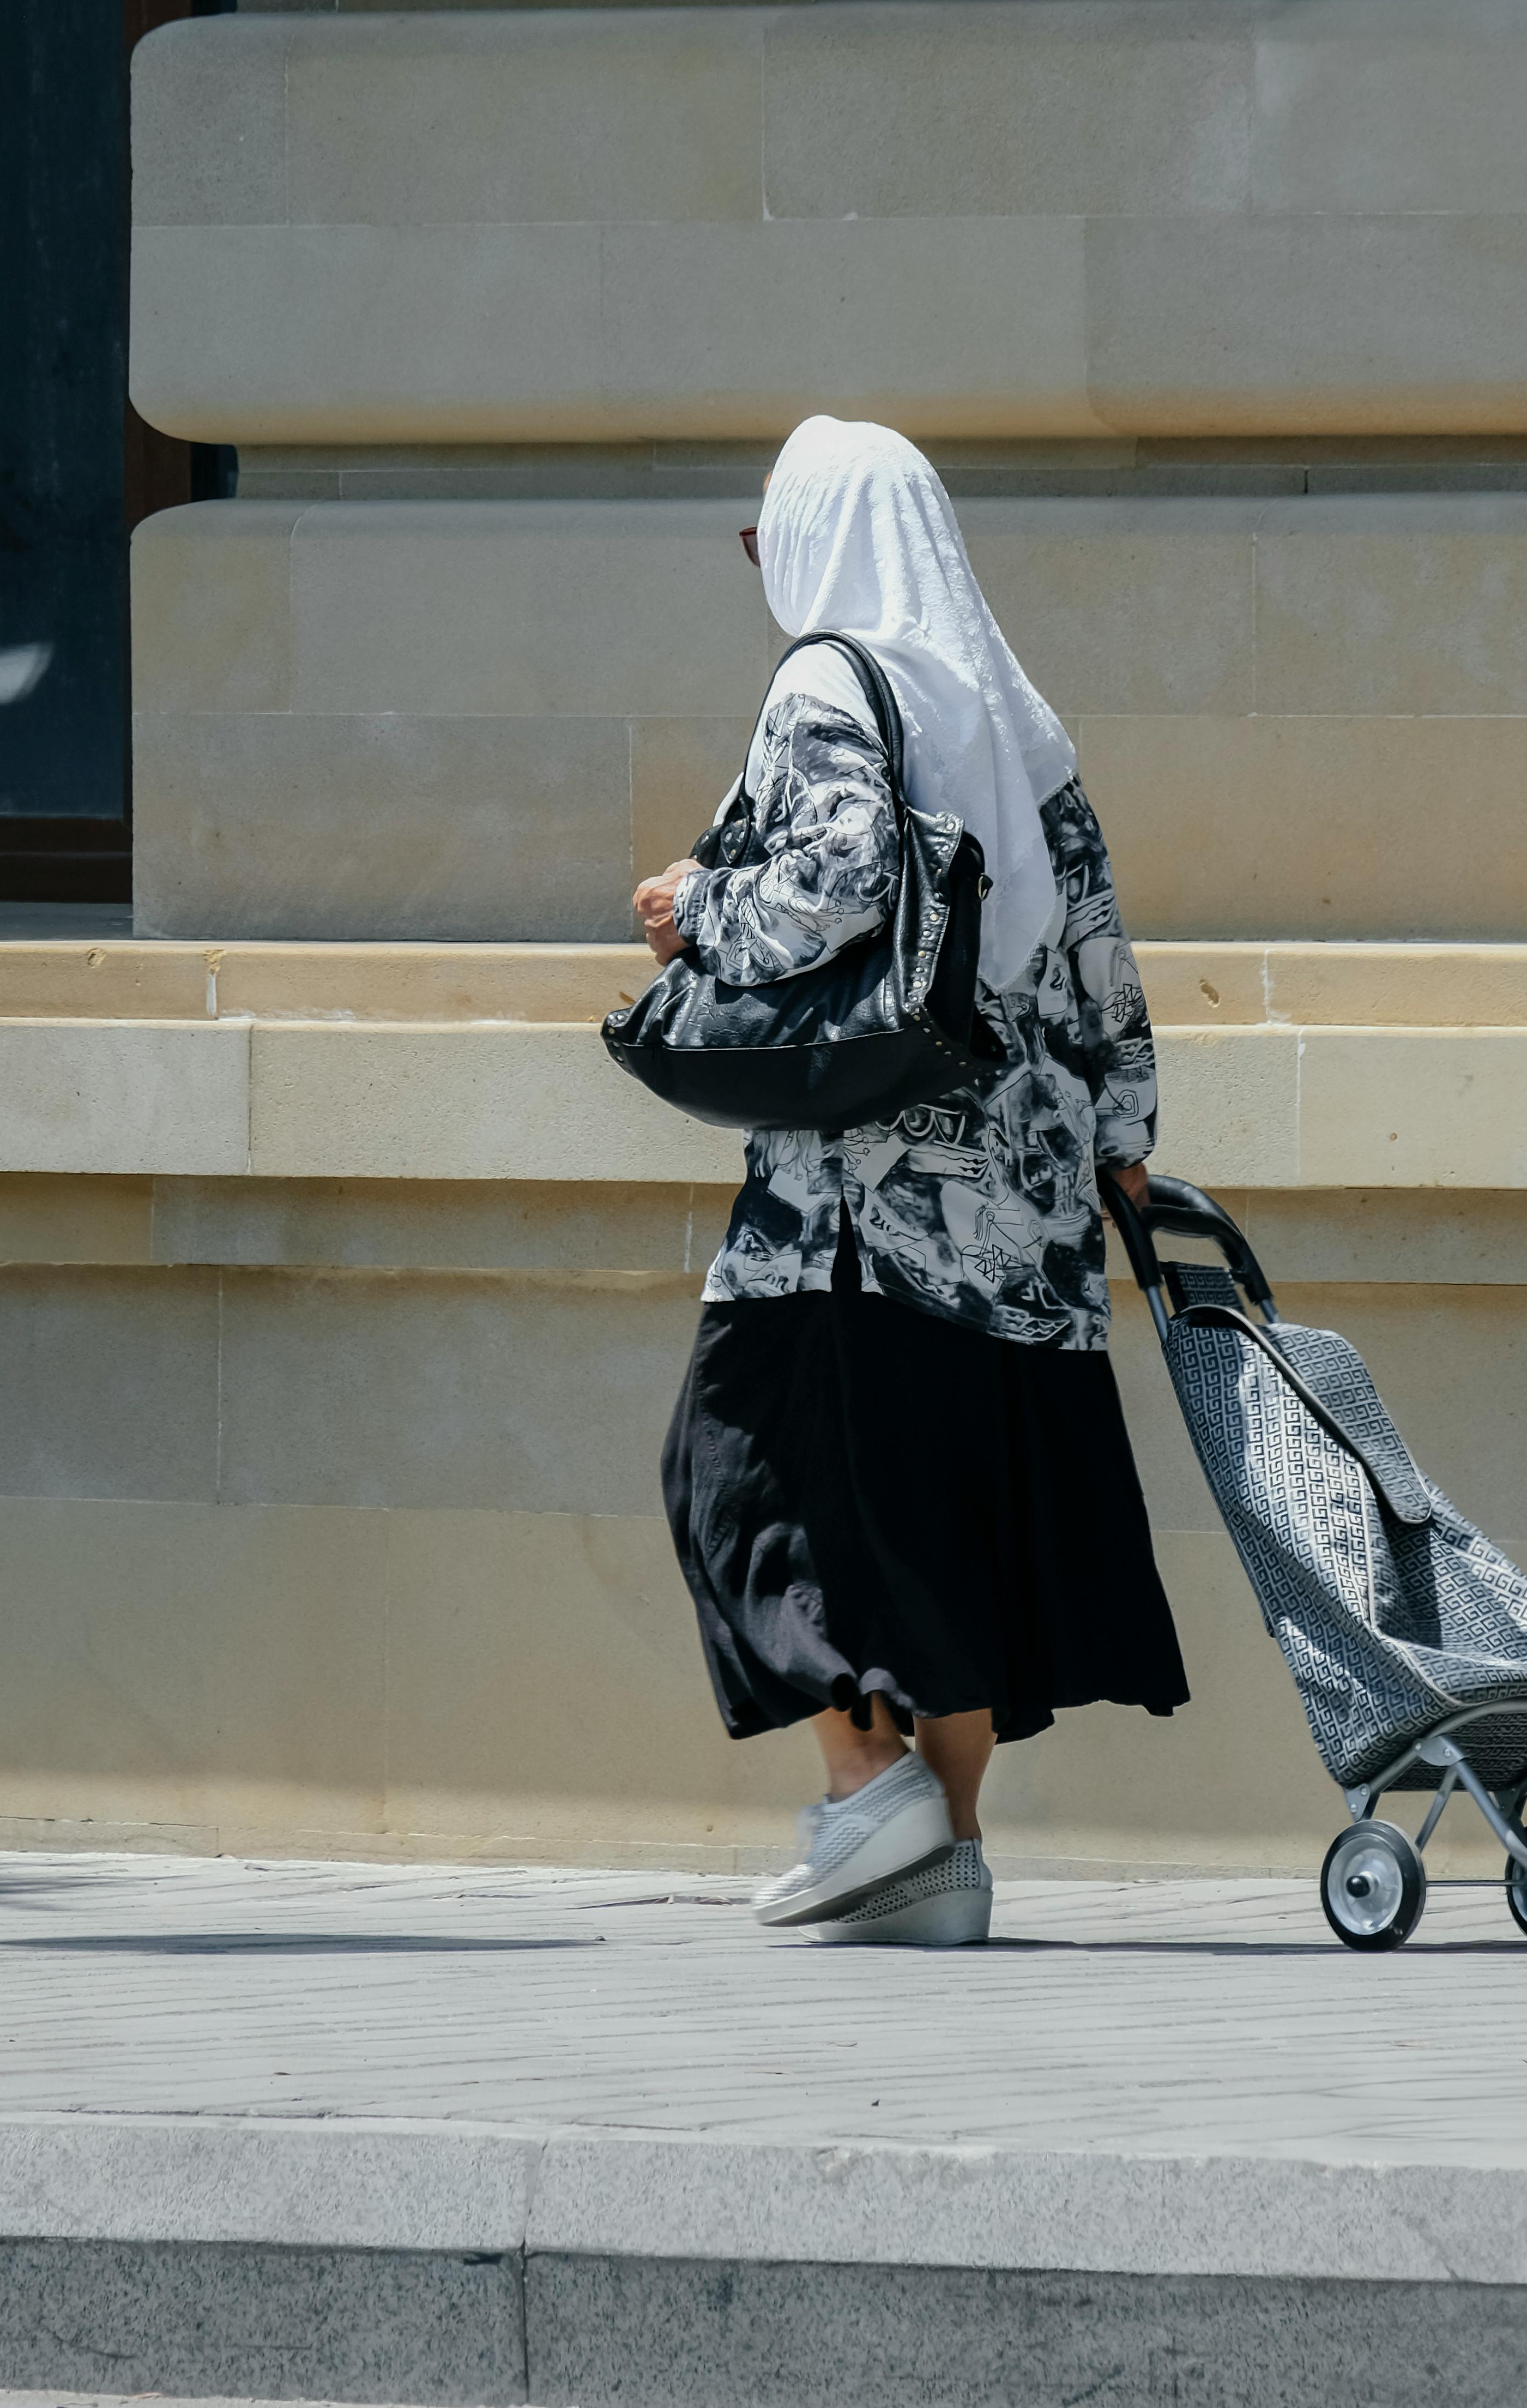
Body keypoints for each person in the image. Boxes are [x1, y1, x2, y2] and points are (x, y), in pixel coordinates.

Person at [640, 416, 1187, 1949]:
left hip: (854, 1219)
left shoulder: (826, 678)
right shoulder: (1017, 713)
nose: (771, 570)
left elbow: (832, 887)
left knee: (728, 1472)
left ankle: (865, 1796)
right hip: (1024, 1219)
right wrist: (1126, 1142)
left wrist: (695, 909)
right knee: (958, 1533)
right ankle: (939, 1852)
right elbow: (1102, 959)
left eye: (769, 538)